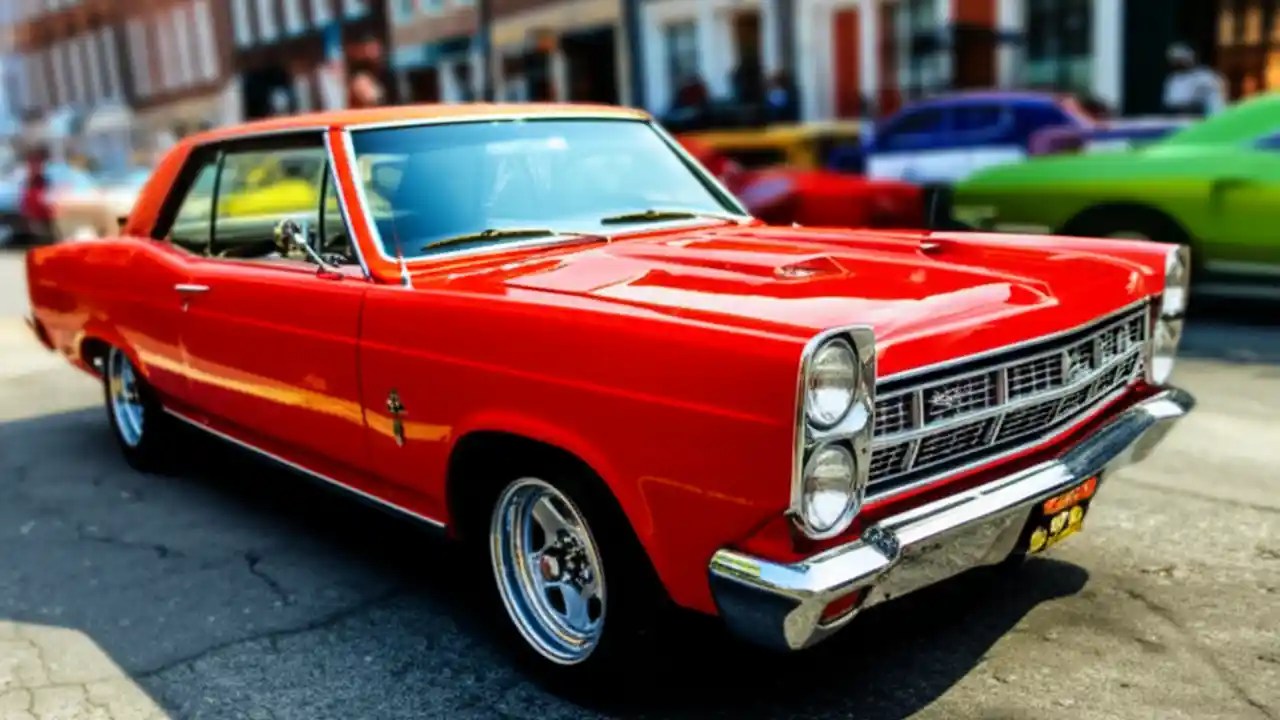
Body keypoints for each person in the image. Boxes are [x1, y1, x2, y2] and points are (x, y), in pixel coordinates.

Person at [1163, 43, 1226, 117]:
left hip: (1201, 119)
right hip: (1175, 119)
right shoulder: (1172, 78)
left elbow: (1216, 105)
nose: (1178, 63)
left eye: (1180, 60)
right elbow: (1169, 102)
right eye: (1175, 61)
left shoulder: (1207, 77)